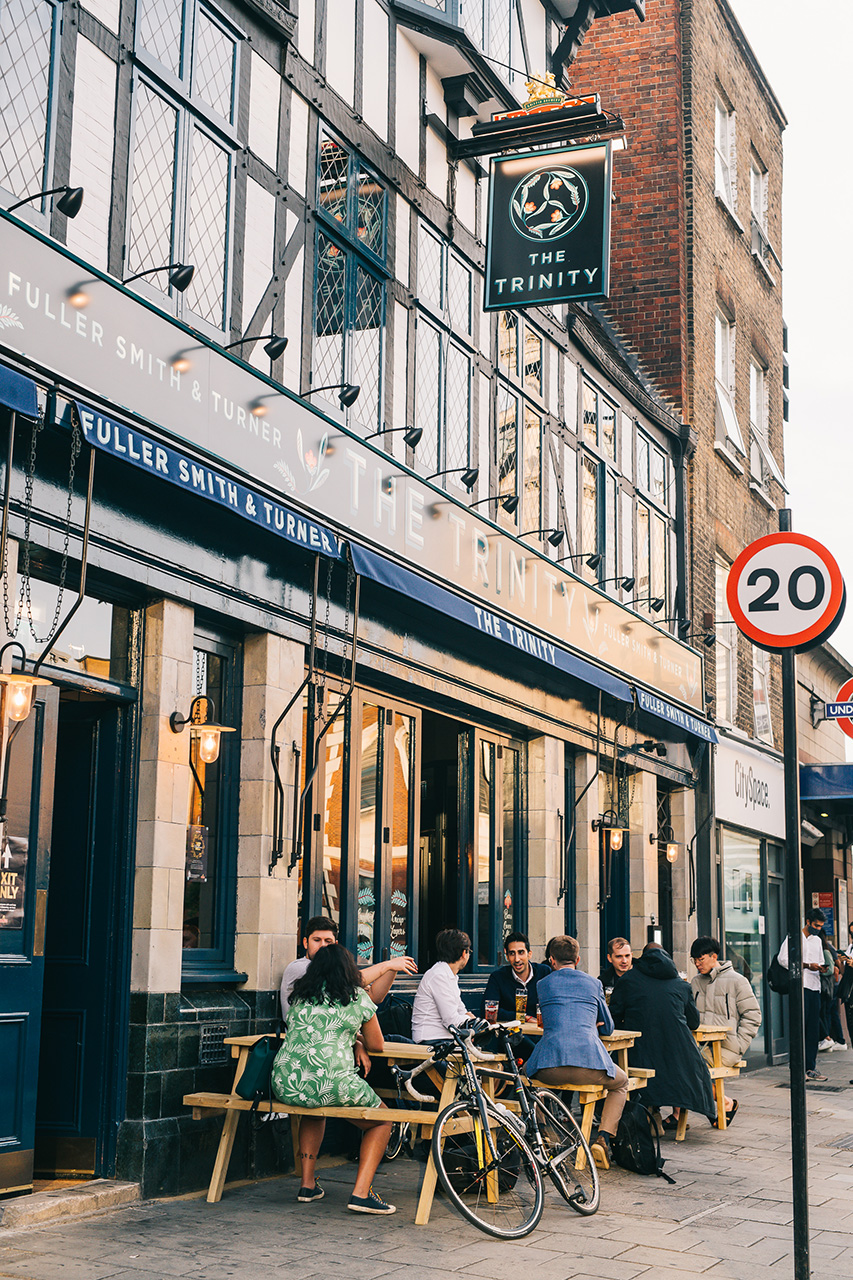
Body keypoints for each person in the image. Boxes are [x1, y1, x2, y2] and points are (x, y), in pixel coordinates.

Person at [271, 943, 396, 1215]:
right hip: (330, 1082)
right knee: (384, 1120)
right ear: (349, 969)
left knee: (313, 1109)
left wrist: (353, 1039)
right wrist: (360, 1040)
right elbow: (378, 1045)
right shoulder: (356, 998)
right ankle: (361, 1193)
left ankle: (307, 1185)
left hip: (286, 1082)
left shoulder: (300, 997)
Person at [525, 935, 627, 1170]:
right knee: (622, 1083)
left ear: (552, 960)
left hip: (549, 1066)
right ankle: (603, 1138)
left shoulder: (543, 984)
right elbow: (609, 1027)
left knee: (527, 1078)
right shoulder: (594, 983)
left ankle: (543, 1133)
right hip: (590, 1066)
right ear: (578, 959)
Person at [609, 942, 715, 1130]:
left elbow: (614, 1018)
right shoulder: (681, 985)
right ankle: (662, 1117)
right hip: (677, 1061)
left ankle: (648, 1115)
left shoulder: (628, 980)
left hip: (637, 1055)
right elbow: (694, 1023)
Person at [280, 916, 417, 1019]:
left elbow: (374, 997)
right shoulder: (299, 968)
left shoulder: (335, 974)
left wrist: (393, 968)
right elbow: (349, 981)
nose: (322, 946)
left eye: (328, 941)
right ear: (305, 943)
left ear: (336, 945)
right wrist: (386, 965)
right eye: (317, 940)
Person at [690, 936, 761, 1124]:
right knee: (677, 1063)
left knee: (690, 1069)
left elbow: (753, 1015)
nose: (697, 964)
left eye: (701, 959)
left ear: (714, 956)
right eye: (694, 960)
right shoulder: (696, 982)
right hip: (700, 1046)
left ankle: (723, 1104)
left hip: (727, 1047)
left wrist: (739, 1045)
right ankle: (722, 1104)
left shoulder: (738, 981)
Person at [778, 909, 829, 1081]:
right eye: (816, 925)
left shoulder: (817, 940)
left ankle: (811, 1067)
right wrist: (807, 965)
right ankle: (797, 1068)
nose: (817, 929)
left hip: (815, 988)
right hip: (800, 987)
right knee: (800, 1028)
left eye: (820, 927)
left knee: (813, 1030)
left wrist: (822, 967)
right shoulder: (794, 937)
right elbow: (782, 959)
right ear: (808, 921)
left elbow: (821, 960)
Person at [412, 928, 477, 1042]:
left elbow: (461, 1010)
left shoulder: (448, 975)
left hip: (444, 1040)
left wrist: (471, 1019)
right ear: (464, 954)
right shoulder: (439, 975)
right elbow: (451, 1021)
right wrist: (472, 1020)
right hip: (430, 1040)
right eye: (469, 952)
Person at [482, 931, 550, 1022]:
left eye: (521, 952)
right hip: (511, 1034)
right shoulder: (498, 977)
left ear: (529, 954)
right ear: (507, 956)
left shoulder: (544, 972)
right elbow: (487, 1011)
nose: (517, 959)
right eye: (512, 953)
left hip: (540, 1033)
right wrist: (522, 1017)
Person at [817, 929, 846, 1052]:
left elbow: (833, 967)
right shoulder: (828, 947)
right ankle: (839, 1040)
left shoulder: (825, 948)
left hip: (830, 986)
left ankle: (829, 1039)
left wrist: (819, 969)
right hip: (833, 985)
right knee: (832, 1013)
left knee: (827, 1013)